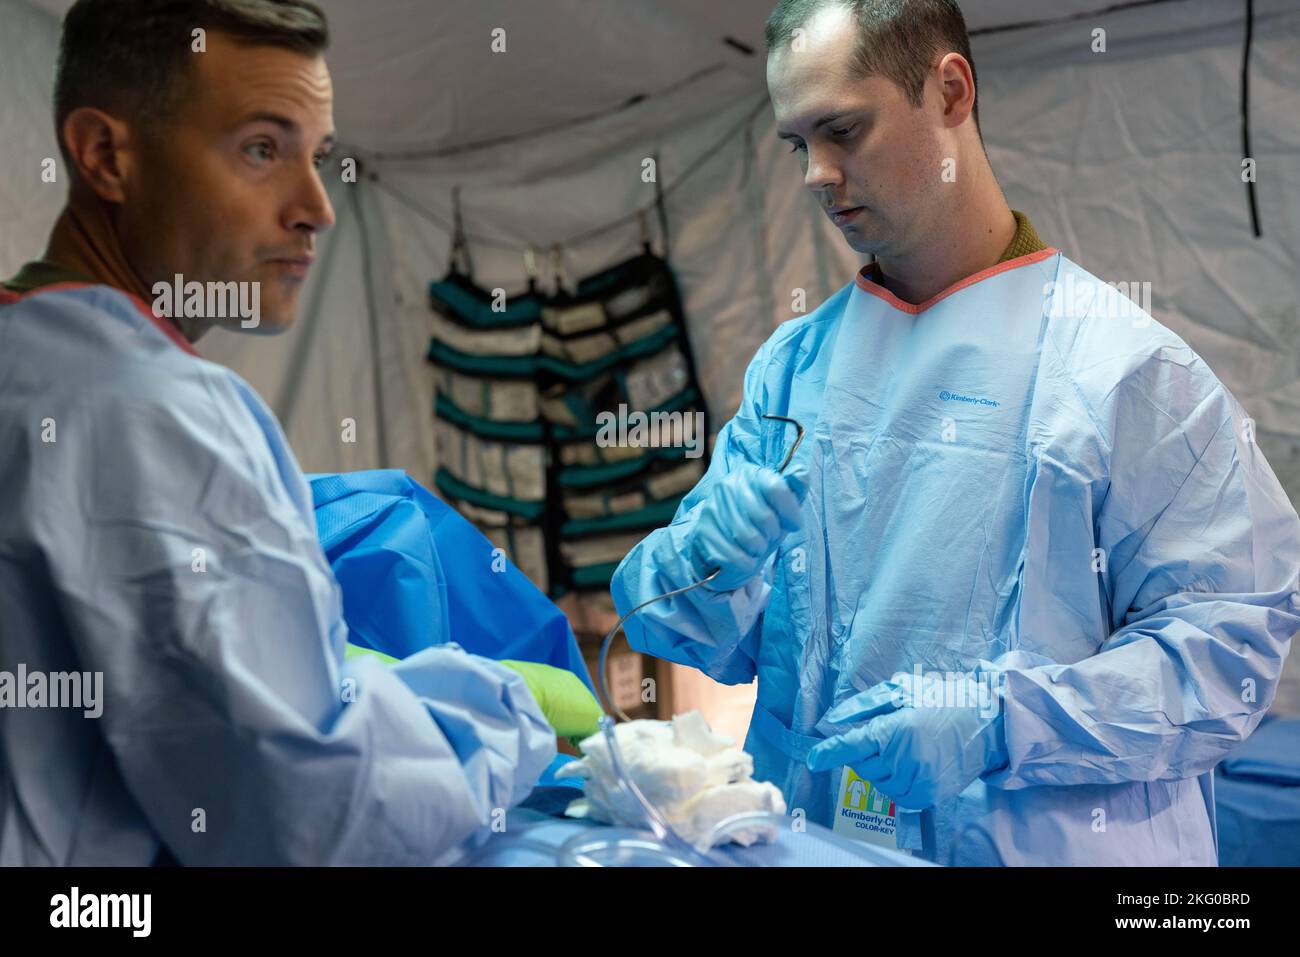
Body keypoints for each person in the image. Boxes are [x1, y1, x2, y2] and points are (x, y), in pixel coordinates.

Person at [611, 0, 1300, 865]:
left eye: (843, 130)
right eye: (797, 143)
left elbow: (1228, 650)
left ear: (950, 91)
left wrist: (1007, 720)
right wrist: (701, 567)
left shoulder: (1125, 371)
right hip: (815, 841)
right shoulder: (795, 370)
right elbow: (710, 637)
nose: (815, 174)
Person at [0, 0, 573, 866]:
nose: (316, 208)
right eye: (261, 149)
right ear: (105, 154)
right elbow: (310, 813)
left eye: (321, 157)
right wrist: (499, 709)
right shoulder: (157, 407)